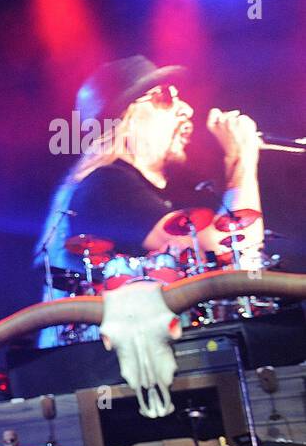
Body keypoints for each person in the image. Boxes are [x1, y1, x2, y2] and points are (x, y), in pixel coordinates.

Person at [35, 55, 266, 346]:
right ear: (126, 118)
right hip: (99, 375)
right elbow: (232, 249)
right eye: (166, 97)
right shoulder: (106, 187)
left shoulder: (128, 189)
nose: (186, 109)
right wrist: (241, 158)